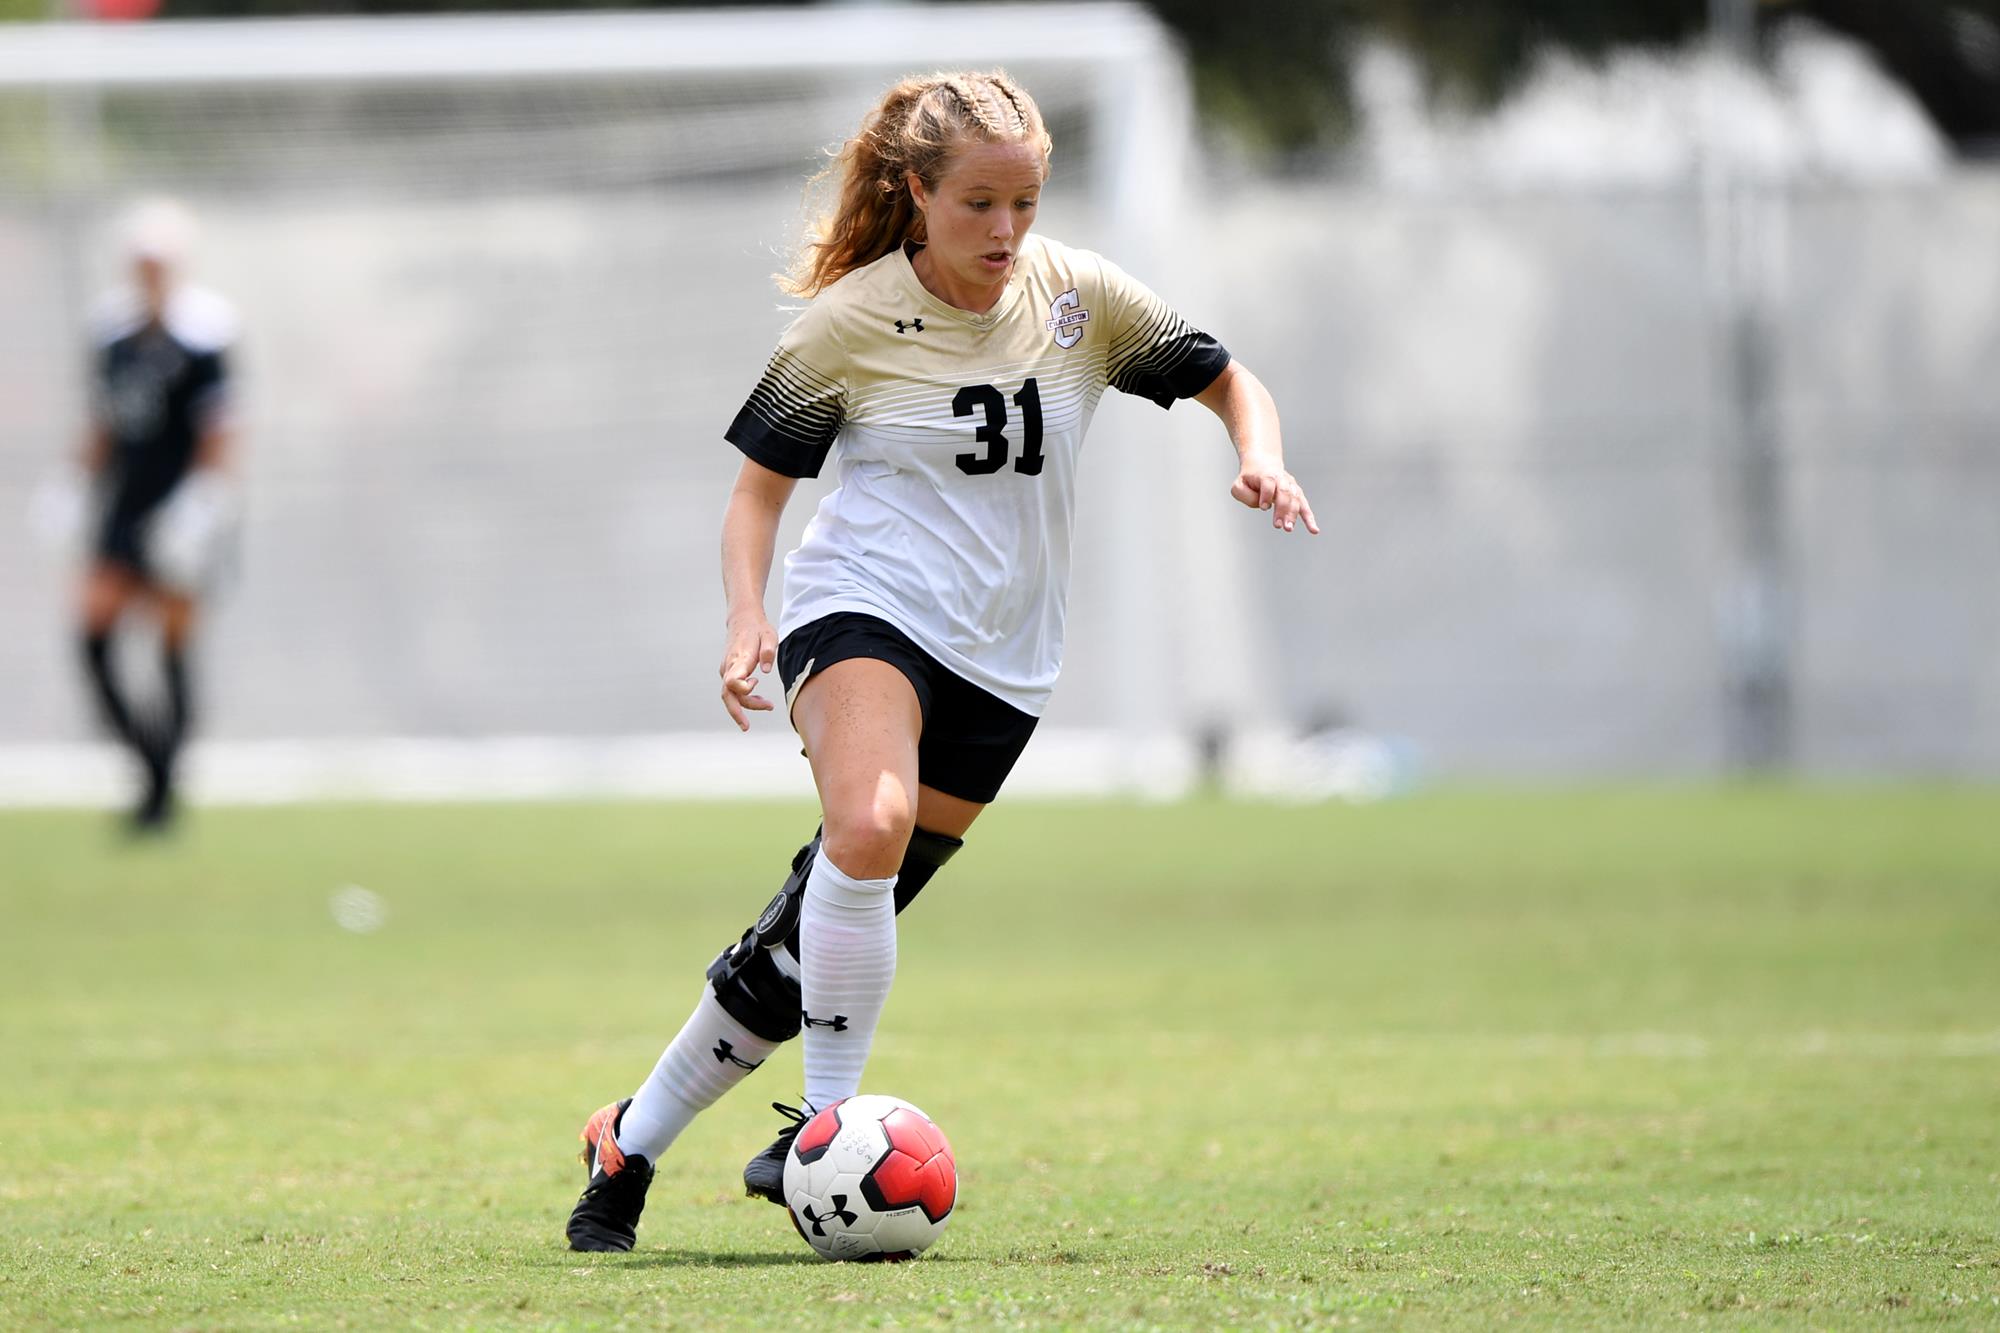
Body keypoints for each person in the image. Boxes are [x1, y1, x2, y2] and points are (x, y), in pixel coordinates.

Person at [564, 70, 1316, 1252]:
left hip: (1005, 664)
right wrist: (745, 617)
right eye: (977, 205)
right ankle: (823, 1132)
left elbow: (1229, 377)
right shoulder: (847, 321)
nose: (1005, 232)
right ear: (915, 194)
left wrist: (1260, 453)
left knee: (825, 926)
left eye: (1023, 203)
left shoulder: (1078, 297)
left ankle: (631, 1139)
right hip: (859, 610)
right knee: (868, 826)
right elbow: (757, 495)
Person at [75, 199, 239, 833]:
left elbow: (223, 428)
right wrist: (74, 482)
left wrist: (202, 504)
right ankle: (149, 765)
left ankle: (165, 791)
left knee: (173, 642)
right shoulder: (112, 334)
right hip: (126, 501)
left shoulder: (206, 334)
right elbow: (103, 421)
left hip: (183, 505)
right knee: (94, 635)